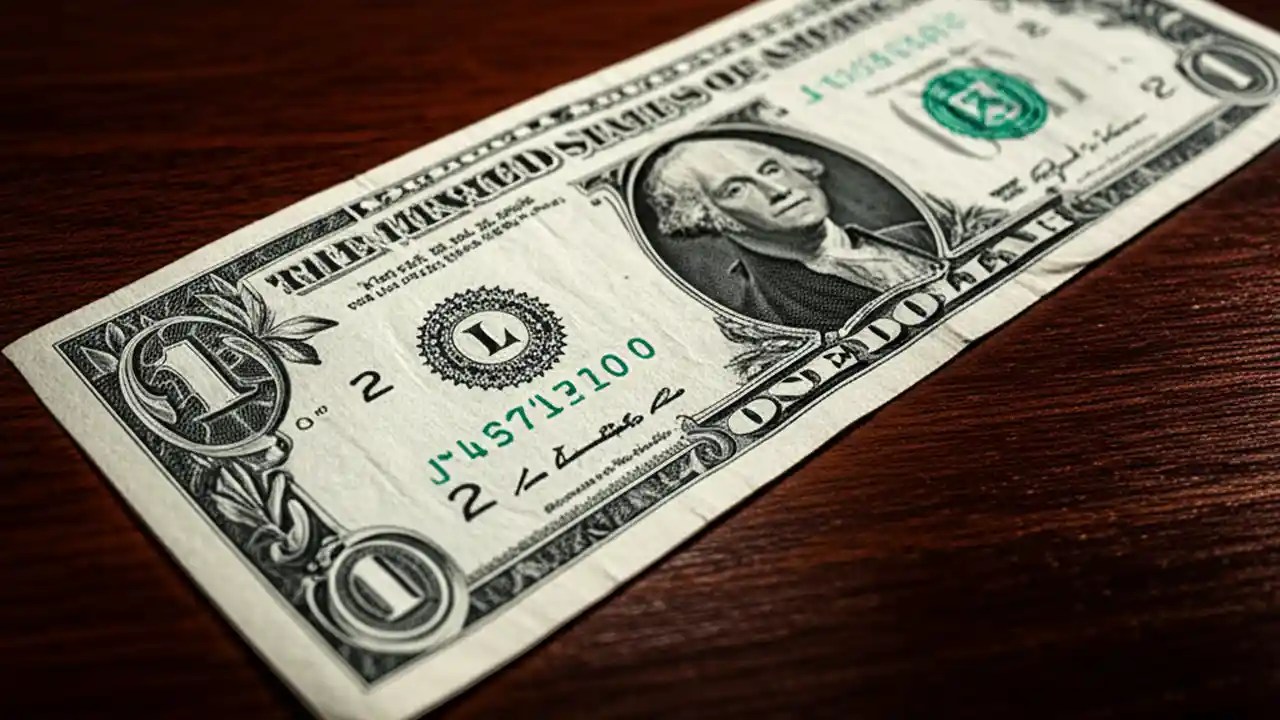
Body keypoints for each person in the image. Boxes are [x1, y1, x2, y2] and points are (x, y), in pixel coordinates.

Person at [644, 137, 943, 331]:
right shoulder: (764, 318)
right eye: (736, 189)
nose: (778, 190)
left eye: (772, 169)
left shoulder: (918, 238)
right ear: (708, 218)